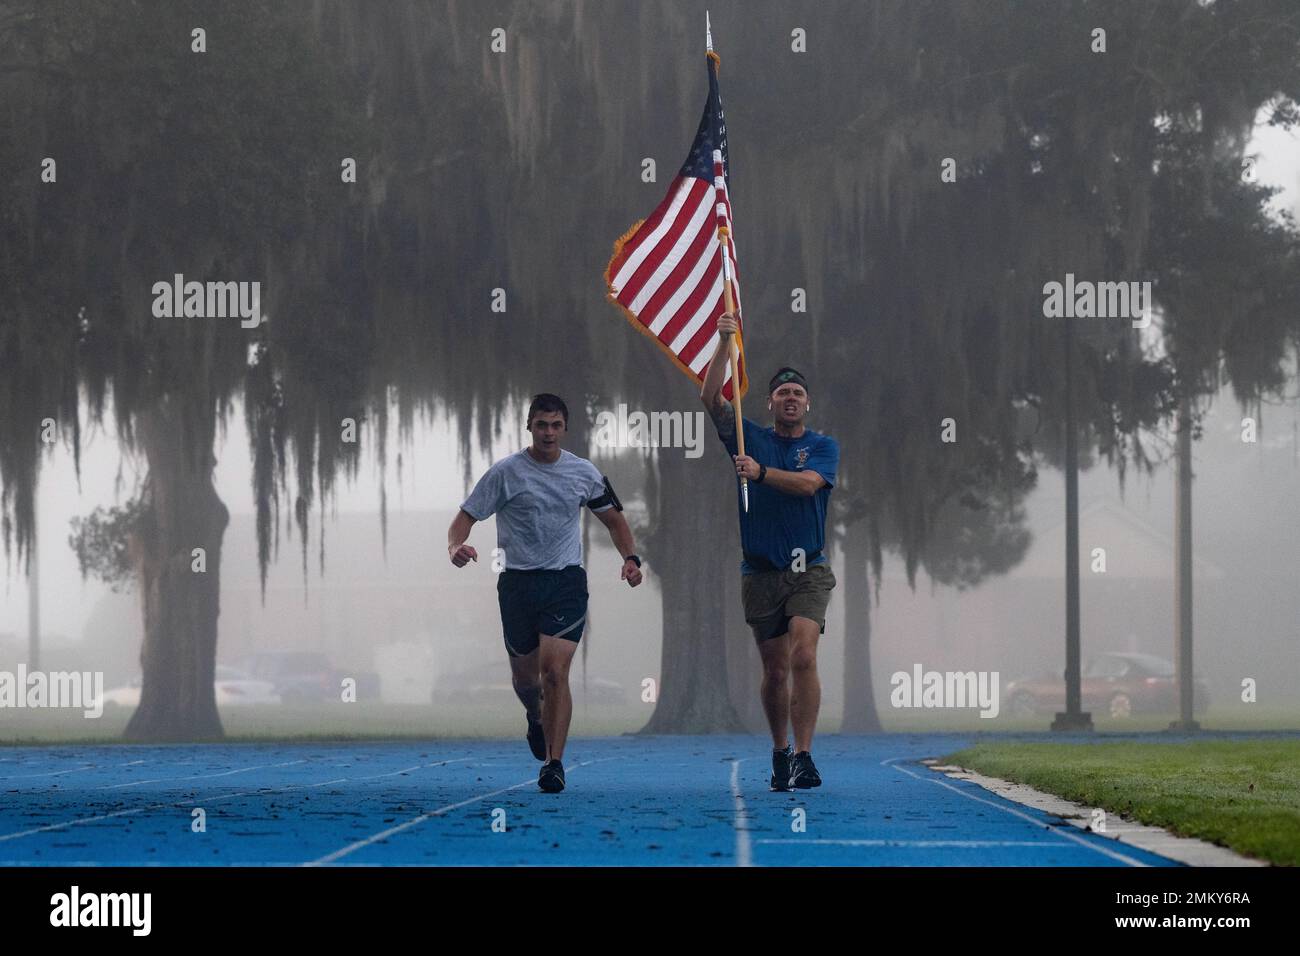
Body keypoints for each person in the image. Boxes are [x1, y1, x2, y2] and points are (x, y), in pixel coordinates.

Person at [447, 393, 642, 793]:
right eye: (541, 425)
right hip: (518, 584)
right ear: (529, 427)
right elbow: (465, 517)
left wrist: (631, 559)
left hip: (564, 582)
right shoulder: (505, 473)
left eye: (555, 425)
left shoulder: (584, 473)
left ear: (565, 429)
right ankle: (535, 719)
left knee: (554, 673)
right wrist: (455, 547)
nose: (548, 432)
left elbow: (615, 521)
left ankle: (554, 764)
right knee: (525, 681)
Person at [699, 314, 839, 791]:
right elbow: (709, 398)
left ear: (807, 403)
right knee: (775, 670)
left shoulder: (823, 447)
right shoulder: (747, 435)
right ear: (770, 403)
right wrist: (723, 343)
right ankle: (779, 750)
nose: (790, 399)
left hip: (808, 570)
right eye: (782, 393)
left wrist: (758, 474)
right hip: (759, 572)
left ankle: (804, 756)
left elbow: (807, 486)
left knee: (803, 656)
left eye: (797, 393)